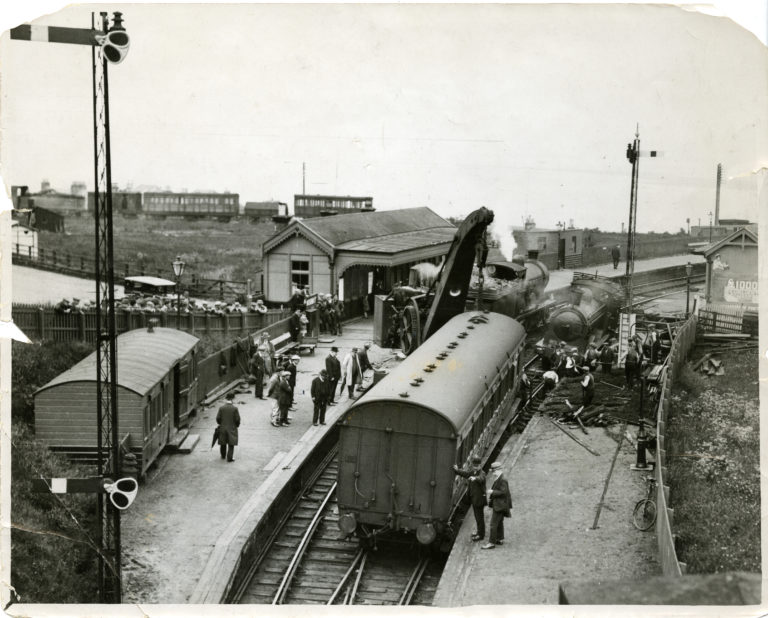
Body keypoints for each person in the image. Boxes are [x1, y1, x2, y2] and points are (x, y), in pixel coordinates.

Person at [452, 456, 487, 541]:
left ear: (480, 465)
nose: (475, 467)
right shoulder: (473, 472)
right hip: (474, 499)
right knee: (477, 517)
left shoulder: (482, 473)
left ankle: (481, 535)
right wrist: (457, 470)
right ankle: (479, 532)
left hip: (479, 500)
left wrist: (475, 478)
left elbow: (481, 479)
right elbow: (466, 474)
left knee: (480, 518)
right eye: (474, 465)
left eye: (476, 466)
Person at [482, 462, 512, 549]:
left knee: (493, 524)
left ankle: (491, 543)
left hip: (500, 505)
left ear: (499, 470)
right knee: (499, 523)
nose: (493, 473)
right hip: (501, 504)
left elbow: (504, 492)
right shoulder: (499, 477)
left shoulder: (502, 480)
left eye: (494, 471)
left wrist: (492, 492)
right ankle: (500, 539)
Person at [216, 392, 240, 462]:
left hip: (223, 427)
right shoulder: (235, 408)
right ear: (233, 398)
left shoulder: (221, 408)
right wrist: (237, 425)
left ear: (226, 398)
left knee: (223, 442)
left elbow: (218, 418)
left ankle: (223, 455)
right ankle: (229, 458)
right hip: (232, 427)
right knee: (231, 443)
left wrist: (221, 423)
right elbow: (237, 419)